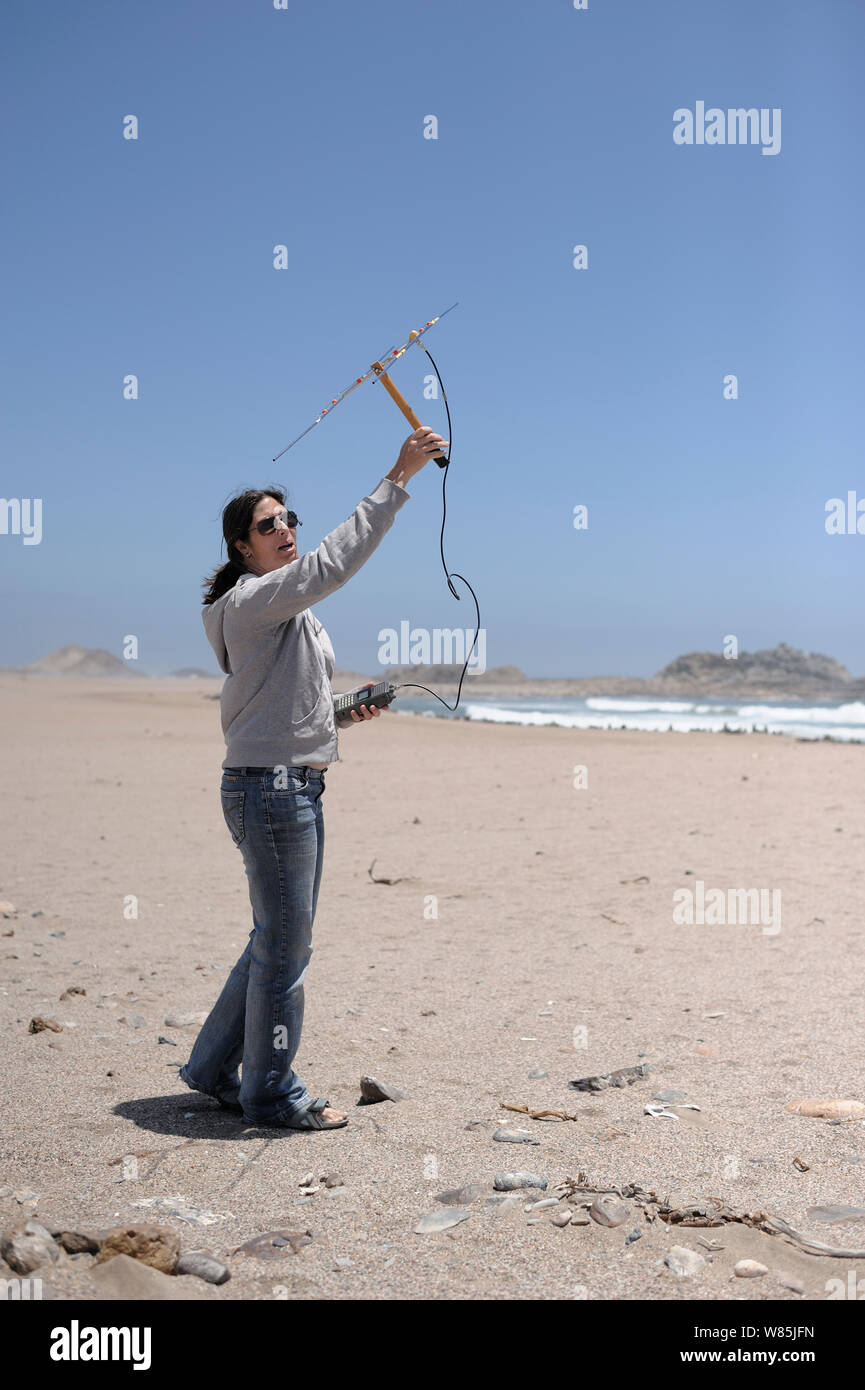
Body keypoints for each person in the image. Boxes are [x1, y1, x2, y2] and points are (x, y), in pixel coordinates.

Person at [179, 426, 447, 1131]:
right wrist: (398, 477)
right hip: (271, 792)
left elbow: (285, 705)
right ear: (243, 546)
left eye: (289, 519)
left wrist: (342, 713)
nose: (286, 531)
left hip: (284, 784)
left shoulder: (276, 609)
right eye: (270, 526)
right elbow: (334, 563)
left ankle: (211, 1068)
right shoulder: (254, 600)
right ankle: (269, 1095)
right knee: (284, 949)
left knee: (274, 938)